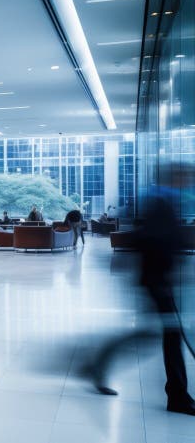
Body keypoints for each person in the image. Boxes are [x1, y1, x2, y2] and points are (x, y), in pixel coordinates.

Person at [87, 167, 195, 416]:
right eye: (186, 177)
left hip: (159, 281)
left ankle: (176, 394)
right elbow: (152, 240)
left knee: (155, 336)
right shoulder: (160, 202)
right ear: (174, 177)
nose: (188, 182)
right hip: (157, 282)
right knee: (165, 336)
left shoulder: (163, 200)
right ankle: (177, 396)